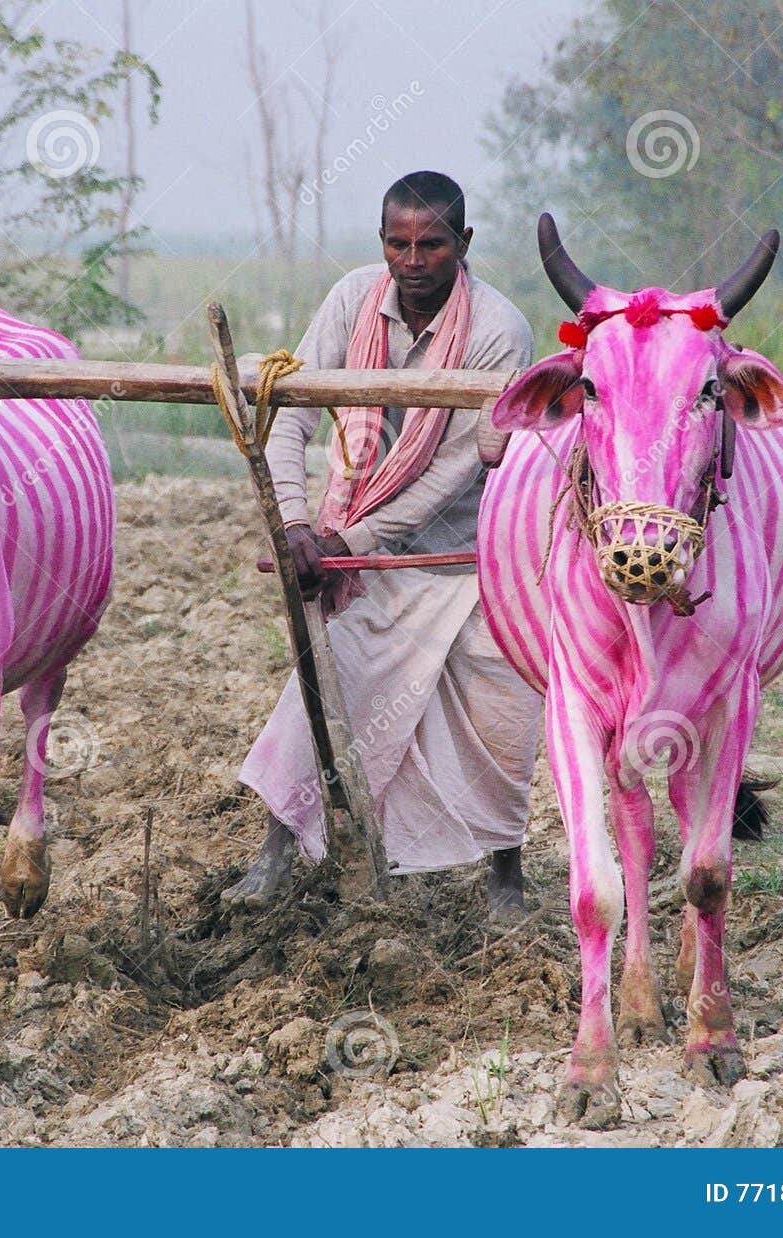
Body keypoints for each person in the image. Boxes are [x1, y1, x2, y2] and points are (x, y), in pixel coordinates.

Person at [226, 170, 543, 915]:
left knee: (500, 711)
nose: (413, 260)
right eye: (398, 244)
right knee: (324, 680)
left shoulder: (500, 331)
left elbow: (456, 472)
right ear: (381, 242)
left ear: (464, 243)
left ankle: (506, 873)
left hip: (472, 551)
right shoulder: (351, 301)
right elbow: (288, 413)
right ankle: (276, 852)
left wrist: (345, 540)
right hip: (359, 547)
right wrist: (295, 527)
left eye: (432, 244)